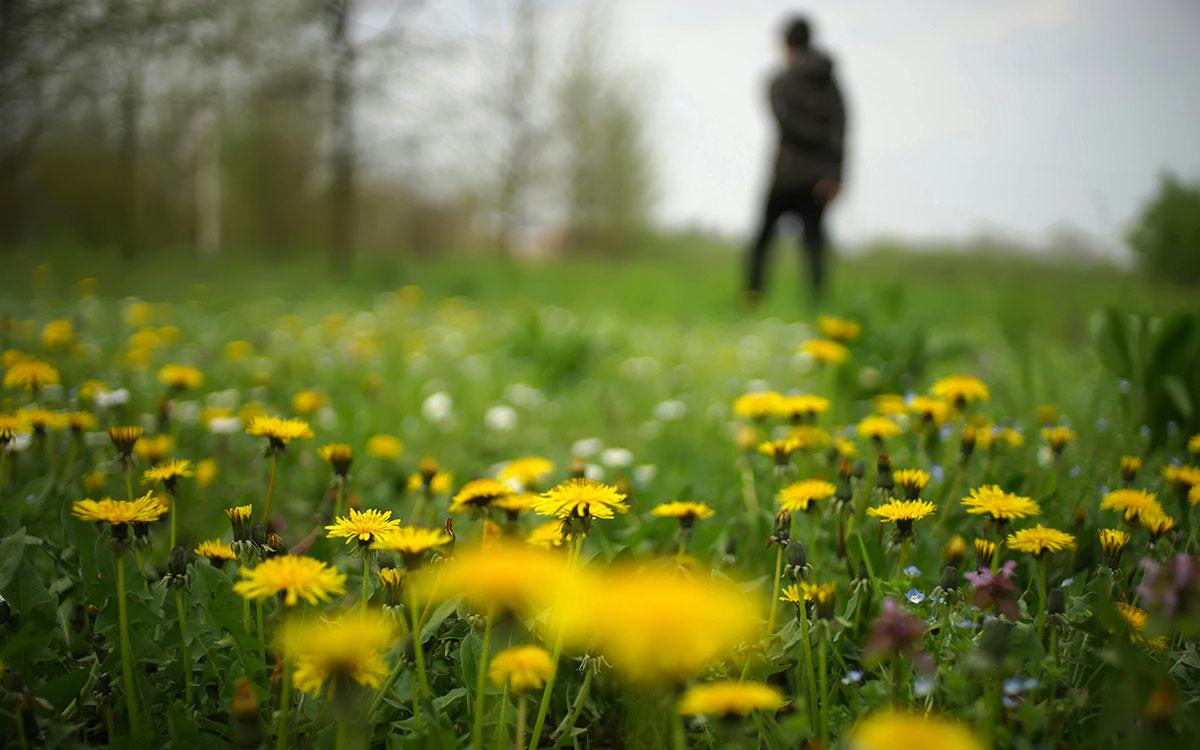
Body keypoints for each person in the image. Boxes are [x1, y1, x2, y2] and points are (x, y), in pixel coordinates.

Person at [744, 14, 846, 307]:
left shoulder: (779, 82)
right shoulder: (830, 84)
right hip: (819, 177)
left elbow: (785, 123)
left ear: (786, 43)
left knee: (764, 240)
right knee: (813, 243)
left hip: (787, 174)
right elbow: (840, 128)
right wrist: (834, 175)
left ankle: (753, 298)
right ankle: (818, 303)